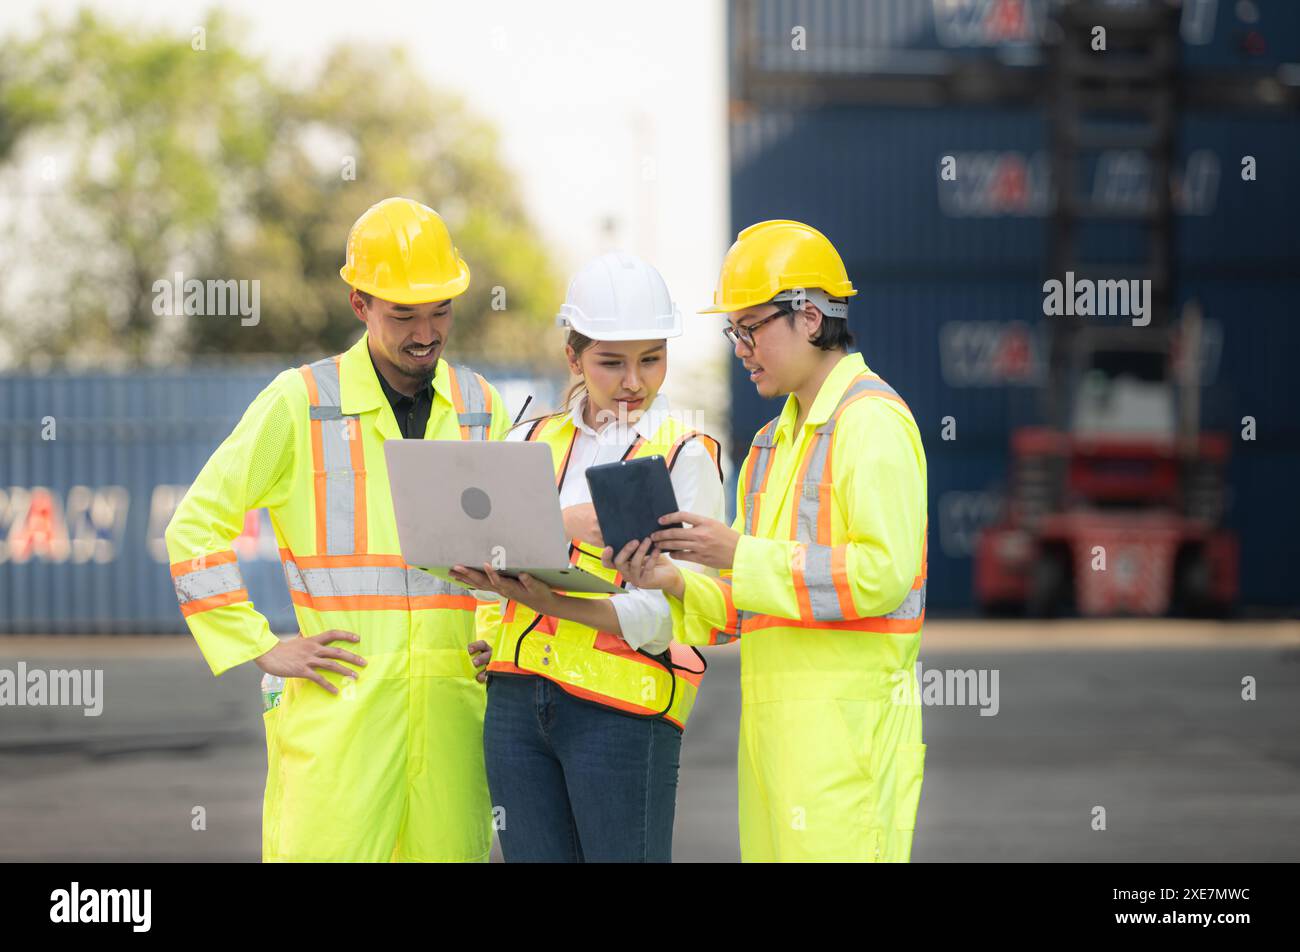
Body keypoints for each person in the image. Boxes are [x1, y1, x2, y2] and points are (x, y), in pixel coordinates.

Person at [165, 197, 511, 861]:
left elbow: (504, 547)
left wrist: (494, 638)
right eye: (403, 313)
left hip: (451, 721)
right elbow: (194, 526)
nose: (425, 331)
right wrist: (260, 645)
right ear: (359, 304)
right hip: (341, 713)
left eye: (439, 309)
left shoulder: (478, 406)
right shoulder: (301, 402)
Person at [609, 220, 929, 862]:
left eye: (750, 328)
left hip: (849, 744)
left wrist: (739, 554)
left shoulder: (872, 422)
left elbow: (882, 574)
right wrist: (673, 579)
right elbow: (747, 602)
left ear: (809, 317)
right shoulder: (768, 444)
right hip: (775, 746)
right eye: (735, 331)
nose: (740, 347)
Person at [450, 252, 725, 862]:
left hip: (624, 713)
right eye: (611, 362)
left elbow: (693, 613)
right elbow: (489, 579)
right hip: (517, 706)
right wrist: (488, 625)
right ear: (573, 357)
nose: (634, 381)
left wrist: (559, 605)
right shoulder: (527, 440)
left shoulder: (684, 457)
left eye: (651, 359)